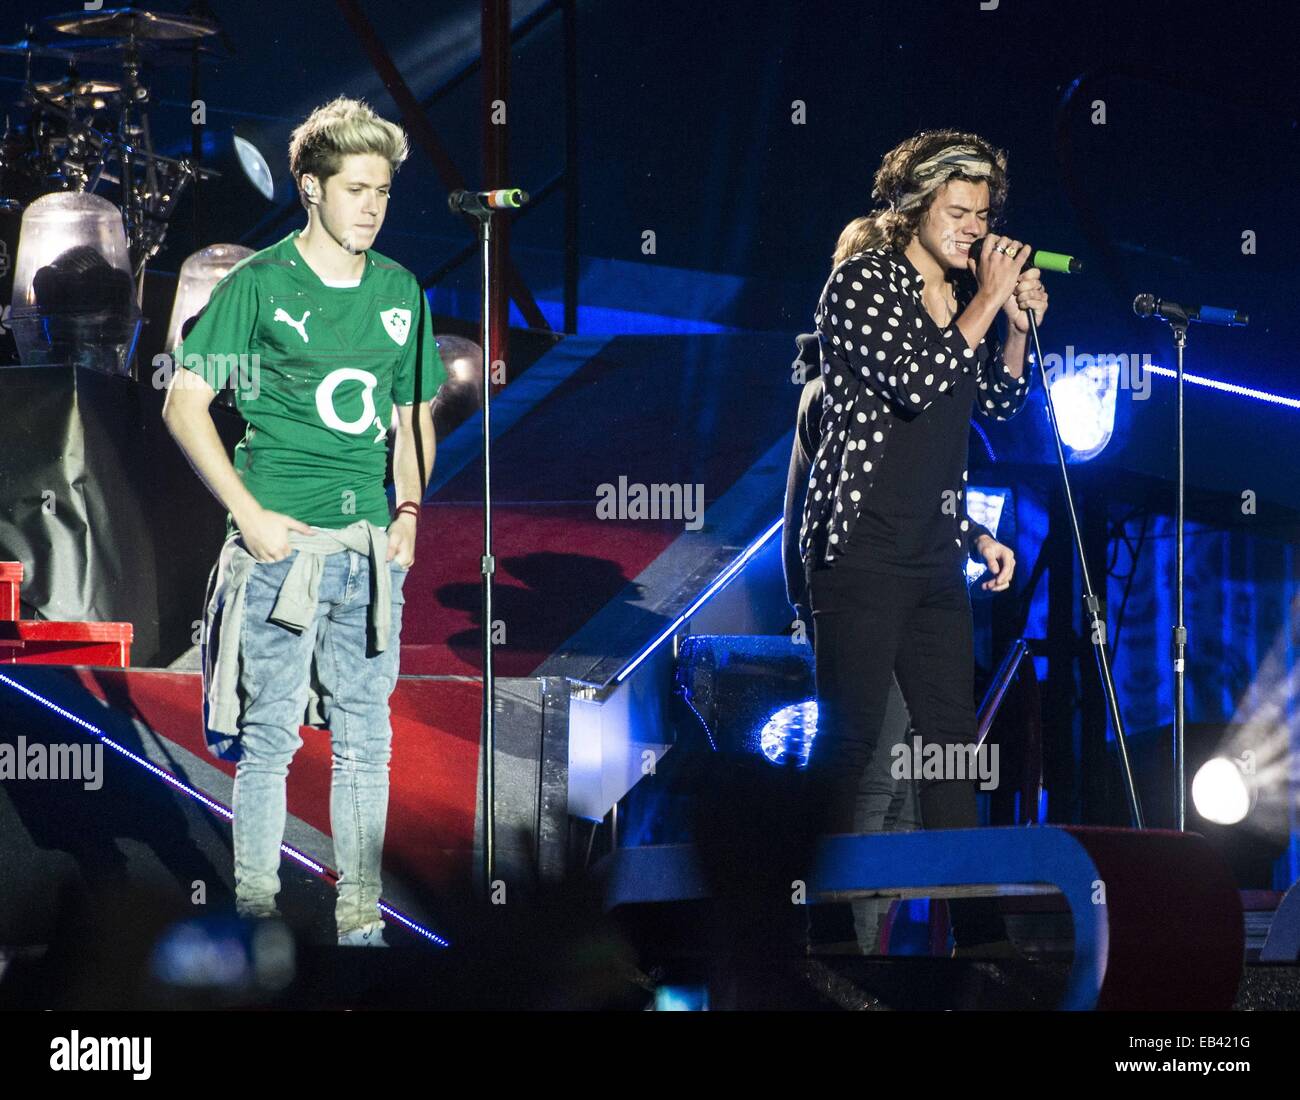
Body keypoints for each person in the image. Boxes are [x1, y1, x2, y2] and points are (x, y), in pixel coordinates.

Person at [162, 97, 447, 946]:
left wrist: (408, 514)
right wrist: (250, 516)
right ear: (310, 188)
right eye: (355, 187)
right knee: (269, 736)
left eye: (384, 191)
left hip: (365, 554)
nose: (371, 205)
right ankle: (257, 918)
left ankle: (360, 922)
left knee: (368, 740)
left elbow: (411, 416)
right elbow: (185, 403)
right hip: (279, 548)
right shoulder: (258, 285)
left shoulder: (400, 290)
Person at [799, 129, 1045, 952]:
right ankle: (826, 936)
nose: (974, 228)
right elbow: (915, 382)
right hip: (862, 551)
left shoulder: (963, 299)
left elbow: (994, 409)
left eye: (984, 214)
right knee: (853, 740)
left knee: (950, 748)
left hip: (936, 555)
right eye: (958, 210)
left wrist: (1012, 323)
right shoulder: (861, 283)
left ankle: (977, 937)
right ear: (916, 205)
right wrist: (982, 304)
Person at [783, 329, 1016, 954]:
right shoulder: (831, 392)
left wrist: (973, 536)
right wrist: (808, 610)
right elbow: (812, 509)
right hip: (861, 594)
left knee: (921, 782)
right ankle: (841, 944)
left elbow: (919, 494)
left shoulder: (917, 382)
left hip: (919, 591)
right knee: (869, 773)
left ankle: (894, 941)